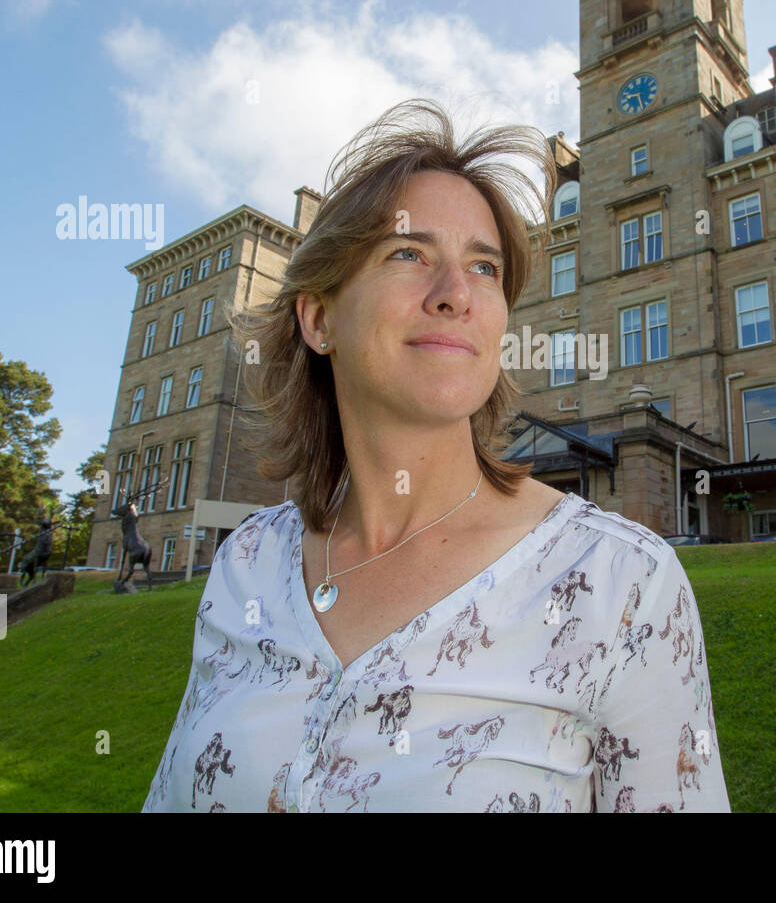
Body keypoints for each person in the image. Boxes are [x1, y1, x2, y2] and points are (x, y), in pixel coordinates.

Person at [140, 98, 730, 812]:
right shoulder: (248, 563)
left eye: (484, 267)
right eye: (409, 253)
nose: (456, 294)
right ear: (319, 317)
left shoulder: (623, 583)